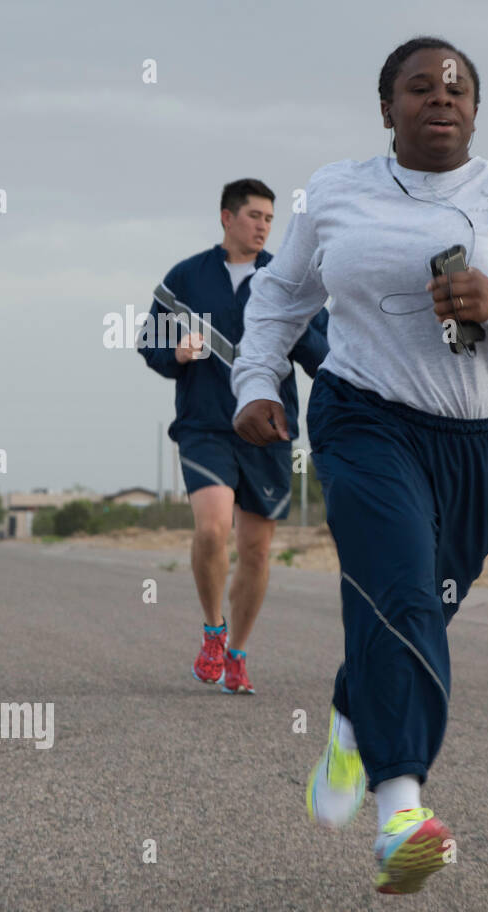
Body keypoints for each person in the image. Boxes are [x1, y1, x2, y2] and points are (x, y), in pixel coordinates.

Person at [231, 37, 488, 895]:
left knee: (418, 611)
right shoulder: (335, 193)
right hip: (365, 420)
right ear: (387, 106)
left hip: (481, 446)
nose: (442, 99)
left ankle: (352, 726)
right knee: (398, 589)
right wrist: (254, 382)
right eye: (421, 88)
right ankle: (403, 812)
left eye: (458, 90)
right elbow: (282, 295)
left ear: (477, 109)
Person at [138, 179, 330, 695]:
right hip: (204, 426)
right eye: (254, 216)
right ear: (227, 218)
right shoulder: (186, 278)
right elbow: (149, 341)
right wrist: (174, 354)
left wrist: (298, 328)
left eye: (270, 217)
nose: (264, 225)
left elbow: (324, 357)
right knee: (212, 527)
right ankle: (212, 632)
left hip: (267, 429)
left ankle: (238, 653)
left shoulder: (289, 280)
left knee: (257, 550)